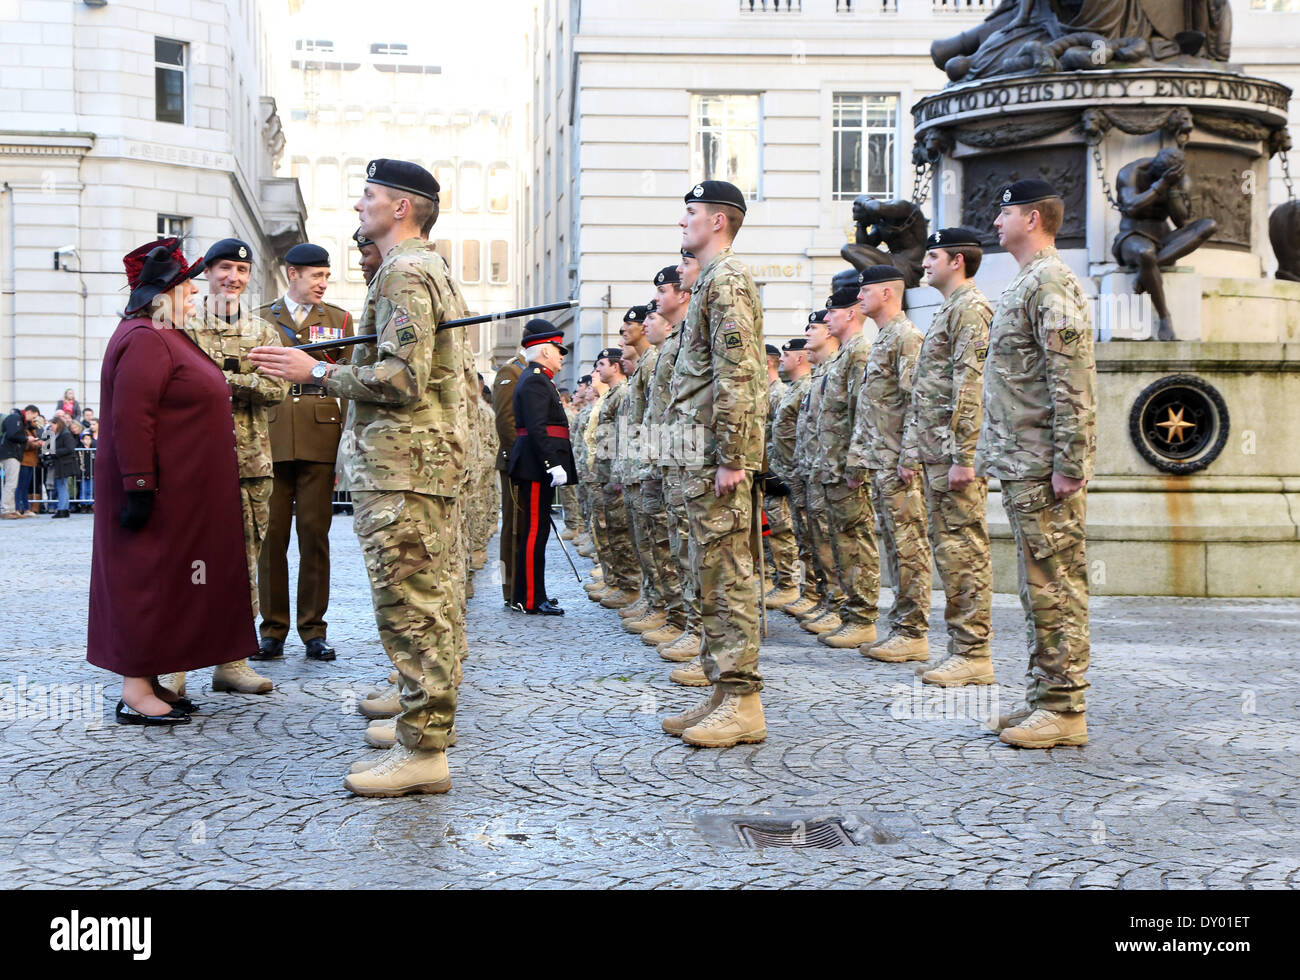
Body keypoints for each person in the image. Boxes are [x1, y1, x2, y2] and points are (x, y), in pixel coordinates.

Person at [252, 158, 468, 796]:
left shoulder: (404, 271)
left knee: (412, 606)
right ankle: (421, 725)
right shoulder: (420, 267)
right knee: (421, 600)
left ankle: (423, 748)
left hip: (405, 463)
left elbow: (402, 378)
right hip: (411, 462)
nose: (358, 206)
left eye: (368, 195)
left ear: (400, 207)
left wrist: (313, 373)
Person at [88, 237, 254, 725]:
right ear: (162, 296)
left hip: (179, 494)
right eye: (186, 288)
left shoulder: (164, 334)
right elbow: (132, 417)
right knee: (146, 584)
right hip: (157, 494)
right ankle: (136, 690)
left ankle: (153, 677)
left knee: (168, 584)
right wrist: (139, 486)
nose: (195, 296)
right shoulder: (145, 337)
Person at [978, 177, 1097, 749]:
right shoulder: (1026, 281)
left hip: (1043, 461)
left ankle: (1065, 708)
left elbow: (1070, 377)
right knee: (1037, 585)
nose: (996, 222)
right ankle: (1044, 697)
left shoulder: (1050, 281)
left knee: (1056, 583)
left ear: (1032, 219)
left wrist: (1069, 462)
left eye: (1005, 213)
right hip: (1022, 459)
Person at [661, 179, 767, 748]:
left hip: (716, 460)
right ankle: (723, 690)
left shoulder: (727, 281)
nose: (685, 223)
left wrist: (733, 456)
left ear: (719, 221)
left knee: (728, 578)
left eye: (692, 213)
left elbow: (740, 374)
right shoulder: (709, 286)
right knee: (711, 575)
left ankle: (744, 701)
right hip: (698, 457)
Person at [170, 236, 289, 696]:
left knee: (243, 561)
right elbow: (176, 384)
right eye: (223, 269)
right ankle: (175, 661)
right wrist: (240, 381)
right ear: (207, 274)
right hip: (194, 463)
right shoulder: (183, 325)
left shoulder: (262, 332)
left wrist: (220, 380)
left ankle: (232, 660)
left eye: (240, 272)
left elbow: (279, 390)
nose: (232, 278)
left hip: (249, 462)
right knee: (188, 561)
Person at [901, 227, 996, 687]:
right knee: (949, 551)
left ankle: (975, 653)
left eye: (932, 256)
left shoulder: (971, 310)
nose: (924, 264)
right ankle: (962, 649)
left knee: (965, 552)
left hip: (955, 457)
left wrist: (965, 454)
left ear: (956, 260)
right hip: (938, 454)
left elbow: (971, 384)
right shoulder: (950, 310)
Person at [254, 242, 353, 663]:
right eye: (316, 275)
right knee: (270, 538)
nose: (323, 283)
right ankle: (272, 629)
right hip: (271, 435)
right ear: (292, 274)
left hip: (320, 439)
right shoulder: (259, 319)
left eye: (326, 276)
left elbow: (348, 377)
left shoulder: (340, 319)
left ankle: (313, 629)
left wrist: (348, 438)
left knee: (314, 536)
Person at [849, 264, 931, 662]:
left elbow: (917, 399)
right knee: (896, 546)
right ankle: (900, 626)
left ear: (887, 293)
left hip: (899, 462)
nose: (860, 295)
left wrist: (910, 454)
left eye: (867, 289)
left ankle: (914, 631)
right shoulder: (884, 338)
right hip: (882, 460)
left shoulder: (906, 337)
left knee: (909, 545)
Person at [812, 282, 880, 650]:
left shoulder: (859, 353)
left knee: (857, 544)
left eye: (832, 312)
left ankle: (863, 616)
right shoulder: (843, 355)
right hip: (832, 467)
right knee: (842, 543)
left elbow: (862, 413)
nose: (826, 319)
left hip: (847, 469)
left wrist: (856, 465)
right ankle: (851, 612)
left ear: (850, 313)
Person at [507, 319, 577, 614]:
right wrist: (551, 464)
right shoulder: (536, 378)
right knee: (535, 534)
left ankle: (532, 593)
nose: (562, 356)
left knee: (537, 533)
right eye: (558, 350)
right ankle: (532, 598)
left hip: (537, 466)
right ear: (545, 351)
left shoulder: (539, 377)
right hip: (537, 466)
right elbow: (537, 428)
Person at [769, 337, 819, 618]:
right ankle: (797, 586)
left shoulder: (799, 389)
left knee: (798, 532)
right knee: (787, 530)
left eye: (787, 354)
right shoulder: (791, 390)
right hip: (781, 469)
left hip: (796, 470)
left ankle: (805, 588)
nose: (784, 359)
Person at [492, 344, 528, 606]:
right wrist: (519, 458)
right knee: (513, 528)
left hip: (524, 462)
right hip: (515, 462)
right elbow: (506, 420)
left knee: (523, 526)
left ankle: (521, 585)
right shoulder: (511, 370)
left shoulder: (524, 371)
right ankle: (510, 587)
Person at [1, 405, 29, 519]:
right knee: (11, 483)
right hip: (11, 454)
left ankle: (9, 509)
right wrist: (27, 438)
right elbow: (13, 434)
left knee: (9, 484)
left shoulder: (10, 419)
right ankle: (7, 509)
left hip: (6, 452)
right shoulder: (15, 418)